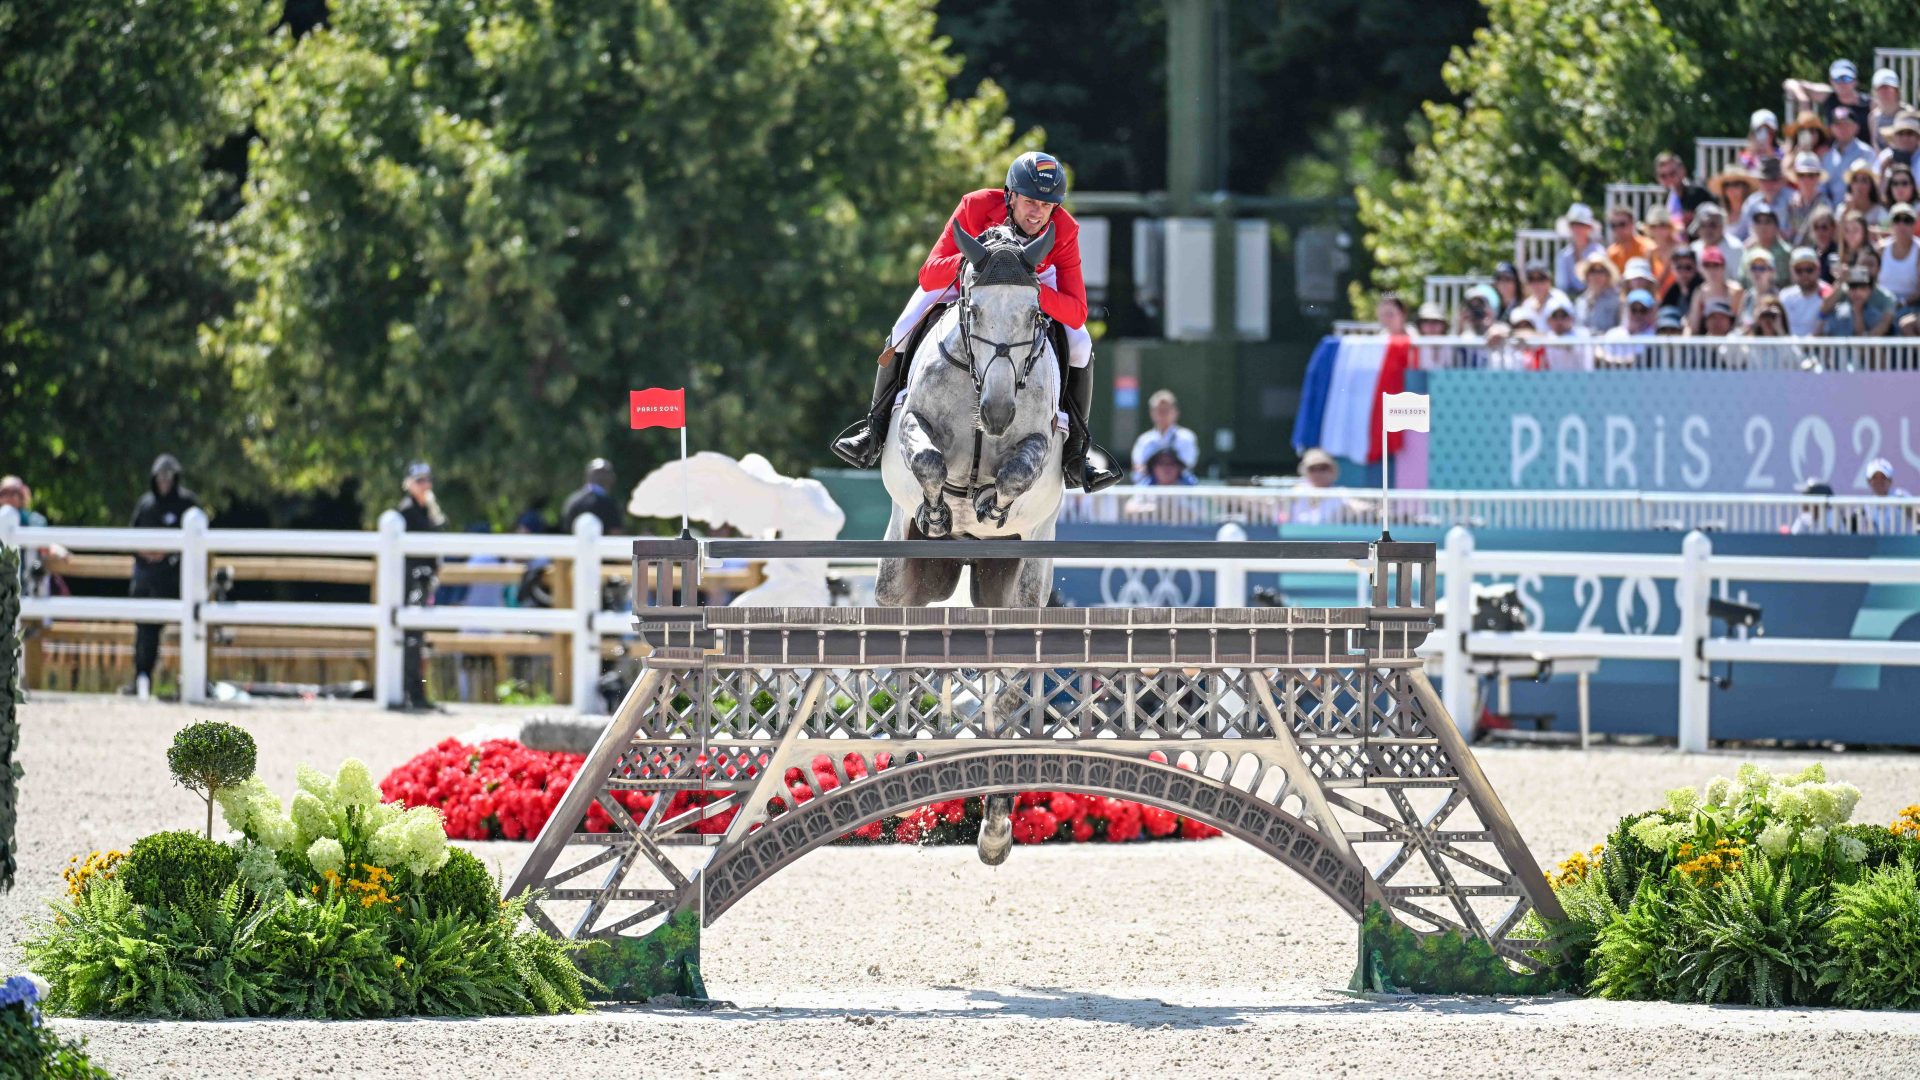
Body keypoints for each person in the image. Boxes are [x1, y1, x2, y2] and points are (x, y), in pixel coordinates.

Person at [831, 151, 1119, 490]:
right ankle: (874, 430)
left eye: (1047, 205)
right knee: (902, 329)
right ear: (1010, 195)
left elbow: (1077, 310)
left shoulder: (1064, 230)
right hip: (968, 282)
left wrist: (1026, 291)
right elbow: (929, 274)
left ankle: (1074, 454)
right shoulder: (976, 206)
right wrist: (976, 268)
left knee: (1081, 344)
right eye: (1030, 202)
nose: (1038, 213)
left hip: (1030, 292)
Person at [128, 454, 201, 699]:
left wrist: (167, 553)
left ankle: (193, 683)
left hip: (176, 581)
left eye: (168, 476)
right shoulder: (146, 505)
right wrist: (146, 552)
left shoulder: (187, 504)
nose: (164, 481)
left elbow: (198, 545)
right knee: (145, 628)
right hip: (147, 580)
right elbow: (132, 538)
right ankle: (142, 678)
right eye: (160, 476)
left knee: (194, 625)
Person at [396, 462, 444, 711]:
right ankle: (410, 692)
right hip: (411, 580)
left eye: (427, 480)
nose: (425, 485)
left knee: (418, 639)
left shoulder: (427, 510)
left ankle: (417, 692)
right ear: (409, 484)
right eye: (419, 480)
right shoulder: (406, 512)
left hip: (423, 580)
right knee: (411, 639)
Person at [0, 476, 68, 594]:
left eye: (13, 492)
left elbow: (45, 547)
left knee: (37, 565)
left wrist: (54, 549)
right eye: (4, 492)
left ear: (22, 495)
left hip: (30, 580)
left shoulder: (34, 520)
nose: (8, 497)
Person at [1130, 389, 1199, 483]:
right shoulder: (1144, 440)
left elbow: (1188, 465)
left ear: (1176, 412)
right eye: (1159, 410)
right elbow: (1138, 467)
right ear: (1152, 413)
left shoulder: (1186, 437)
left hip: (1179, 487)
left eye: (1166, 410)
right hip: (1151, 489)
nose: (1162, 414)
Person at [1821, 264, 1896, 337]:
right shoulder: (1842, 300)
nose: (1857, 292)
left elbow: (1881, 328)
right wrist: (1841, 280)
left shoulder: (1883, 302)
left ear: (1870, 289)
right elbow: (1824, 309)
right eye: (1853, 287)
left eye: (1862, 287)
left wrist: (1858, 312)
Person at [1823, 107, 1876, 205]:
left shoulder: (1866, 152)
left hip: (1860, 212)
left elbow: (1873, 184)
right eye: (1838, 124)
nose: (1842, 128)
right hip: (1833, 212)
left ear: (1856, 127)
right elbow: (1823, 188)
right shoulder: (1827, 157)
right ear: (1831, 129)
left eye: (1847, 124)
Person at [1286, 448, 1351, 525]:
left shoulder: (1341, 493)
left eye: (1323, 468)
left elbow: (1354, 505)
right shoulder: (1297, 491)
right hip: (1296, 535)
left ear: (1332, 471)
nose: (1318, 473)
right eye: (1312, 469)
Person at [1736, 158, 1795, 243]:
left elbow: (1794, 234)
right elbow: (1741, 234)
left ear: (1782, 181)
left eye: (1773, 180)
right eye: (1764, 180)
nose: (1769, 184)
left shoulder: (1793, 199)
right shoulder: (1751, 202)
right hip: (1755, 251)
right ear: (1758, 182)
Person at [560, 458, 624, 535]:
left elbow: (566, 531)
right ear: (612, 478)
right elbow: (616, 533)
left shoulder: (573, 500)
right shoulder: (611, 504)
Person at [1688, 247, 1744, 335]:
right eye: (1707, 265)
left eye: (1716, 265)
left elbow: (1739, 323)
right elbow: (1694, 326)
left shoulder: (1735, 291)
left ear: (1723, 267)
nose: (1712, 270)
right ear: (1701, 269)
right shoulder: (1700, 292)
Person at [1878, 202, 1920, 316]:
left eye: (1907, 220)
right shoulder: (1881, 249)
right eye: (1897, 220)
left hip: (1911, 306)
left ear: (1914, 225)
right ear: (1891, 224)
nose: (1902, 225)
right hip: (1881, 305)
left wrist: (1901, 303)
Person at [1598, 289, 1658, 366]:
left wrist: (1613, 362)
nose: (1638, 314)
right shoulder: (1613, 334)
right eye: (1633, 310)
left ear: (1650, 312)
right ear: (1626, 310)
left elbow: (1636, 361)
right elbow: (1601, 356)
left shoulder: (1653, 335)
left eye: (1643, 310)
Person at [1780, 247, 1832, 335]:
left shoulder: (1827, 291)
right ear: (1791, 271)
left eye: (1809, 270)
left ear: (1818, 269)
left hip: (1818, 348)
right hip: (1790, 347)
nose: (1804, 274)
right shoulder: (1785, 296)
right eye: (1798, 270)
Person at [1554, 202, 1603, 296]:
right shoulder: (1563, 255)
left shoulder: (1599, 253)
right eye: (1573, 225)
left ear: (1589, 228)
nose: (1577, 229)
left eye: (1581, 225)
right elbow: (1561, 286)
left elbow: (1601, 284)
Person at [1655, 151, 1712, 227]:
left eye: (1672, 173)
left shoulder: (1698, 193)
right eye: (1663, 176)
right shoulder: (1665, 198)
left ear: (1683, 171)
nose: (1668, 178)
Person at [1739, 206, 1792, 288]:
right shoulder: (1748, 251)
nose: (1762, 226)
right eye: (1758, 222)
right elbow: (1742, 280)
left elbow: (1786, 282)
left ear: (1776, 227)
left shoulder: (1786, 252)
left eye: (1768, 222)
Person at [1787, 152, 1834, 243]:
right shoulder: (1791, 202)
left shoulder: (1825, 204)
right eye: (1801, 175)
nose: (1806, 180)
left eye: (1811, 175)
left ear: (1818, 178)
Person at [1863, 458, 1918, 534]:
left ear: (1890, 481)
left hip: (1906, 544)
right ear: (1868, 481)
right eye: (1874, 478)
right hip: (1882, 545)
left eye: (1883, 477)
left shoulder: (1901, 497)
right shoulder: (1867, 505)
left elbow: (1917, 517)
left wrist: (1909, 509)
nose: (1879, 481)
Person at [1510, 260, 1569, 328]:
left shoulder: (1559, 299)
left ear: (1549, 280)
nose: (1536, 284)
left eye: (1541, 278)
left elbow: (1562, 332)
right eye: (1531, 279)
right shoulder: (1527, 304)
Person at [1605, 205, 1658, 277]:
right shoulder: (1612, 252)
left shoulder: (1647, 247)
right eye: (1613, 225)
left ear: (1632, 224)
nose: (1618, 229)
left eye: (1622, 224)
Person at [1689, 202, 1744, 270]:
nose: (1708, 230)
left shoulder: (1735, 248)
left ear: (1722, 226)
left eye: (1713, 225)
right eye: (1703, 225)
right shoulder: (1694, 249)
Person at [1573, 258, 1620, 332]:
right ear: (1587, 275)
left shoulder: (1616, 300)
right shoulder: (1580, 301)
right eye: (1592, 271)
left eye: (1601, 271)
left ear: (1607, 276)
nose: (1597, 275)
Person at [1869, 70, 1912, 150]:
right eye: (1881, 88)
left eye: (1888, 88)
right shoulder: (1873, 117)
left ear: (1897, 91)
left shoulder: (1909, 113)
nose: (1885, 92)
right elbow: (1875, 145)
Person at [1838, 161, 1888, 230]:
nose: (1859, 185)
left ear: (1871, 185)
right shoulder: (1842, 209)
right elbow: (1836, 238)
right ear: (1850, 185)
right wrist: (1846, 212)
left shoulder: (1879, 211)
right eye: (1855, 180)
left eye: (1864, 180)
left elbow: (1889, 234)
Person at [1661, 245, 1702, 314]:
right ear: (1672, 269)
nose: (1683, 272)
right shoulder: (1672, 291)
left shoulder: (1702, 290)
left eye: (1688, 267)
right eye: (1679, 267)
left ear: (1696, 269)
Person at [1805, 206, 1840, 281]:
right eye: (1816, 227)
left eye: (1824, 227)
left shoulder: (1838, 252)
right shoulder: (1810, 253)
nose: (1820, 232)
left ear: (1833, 228)